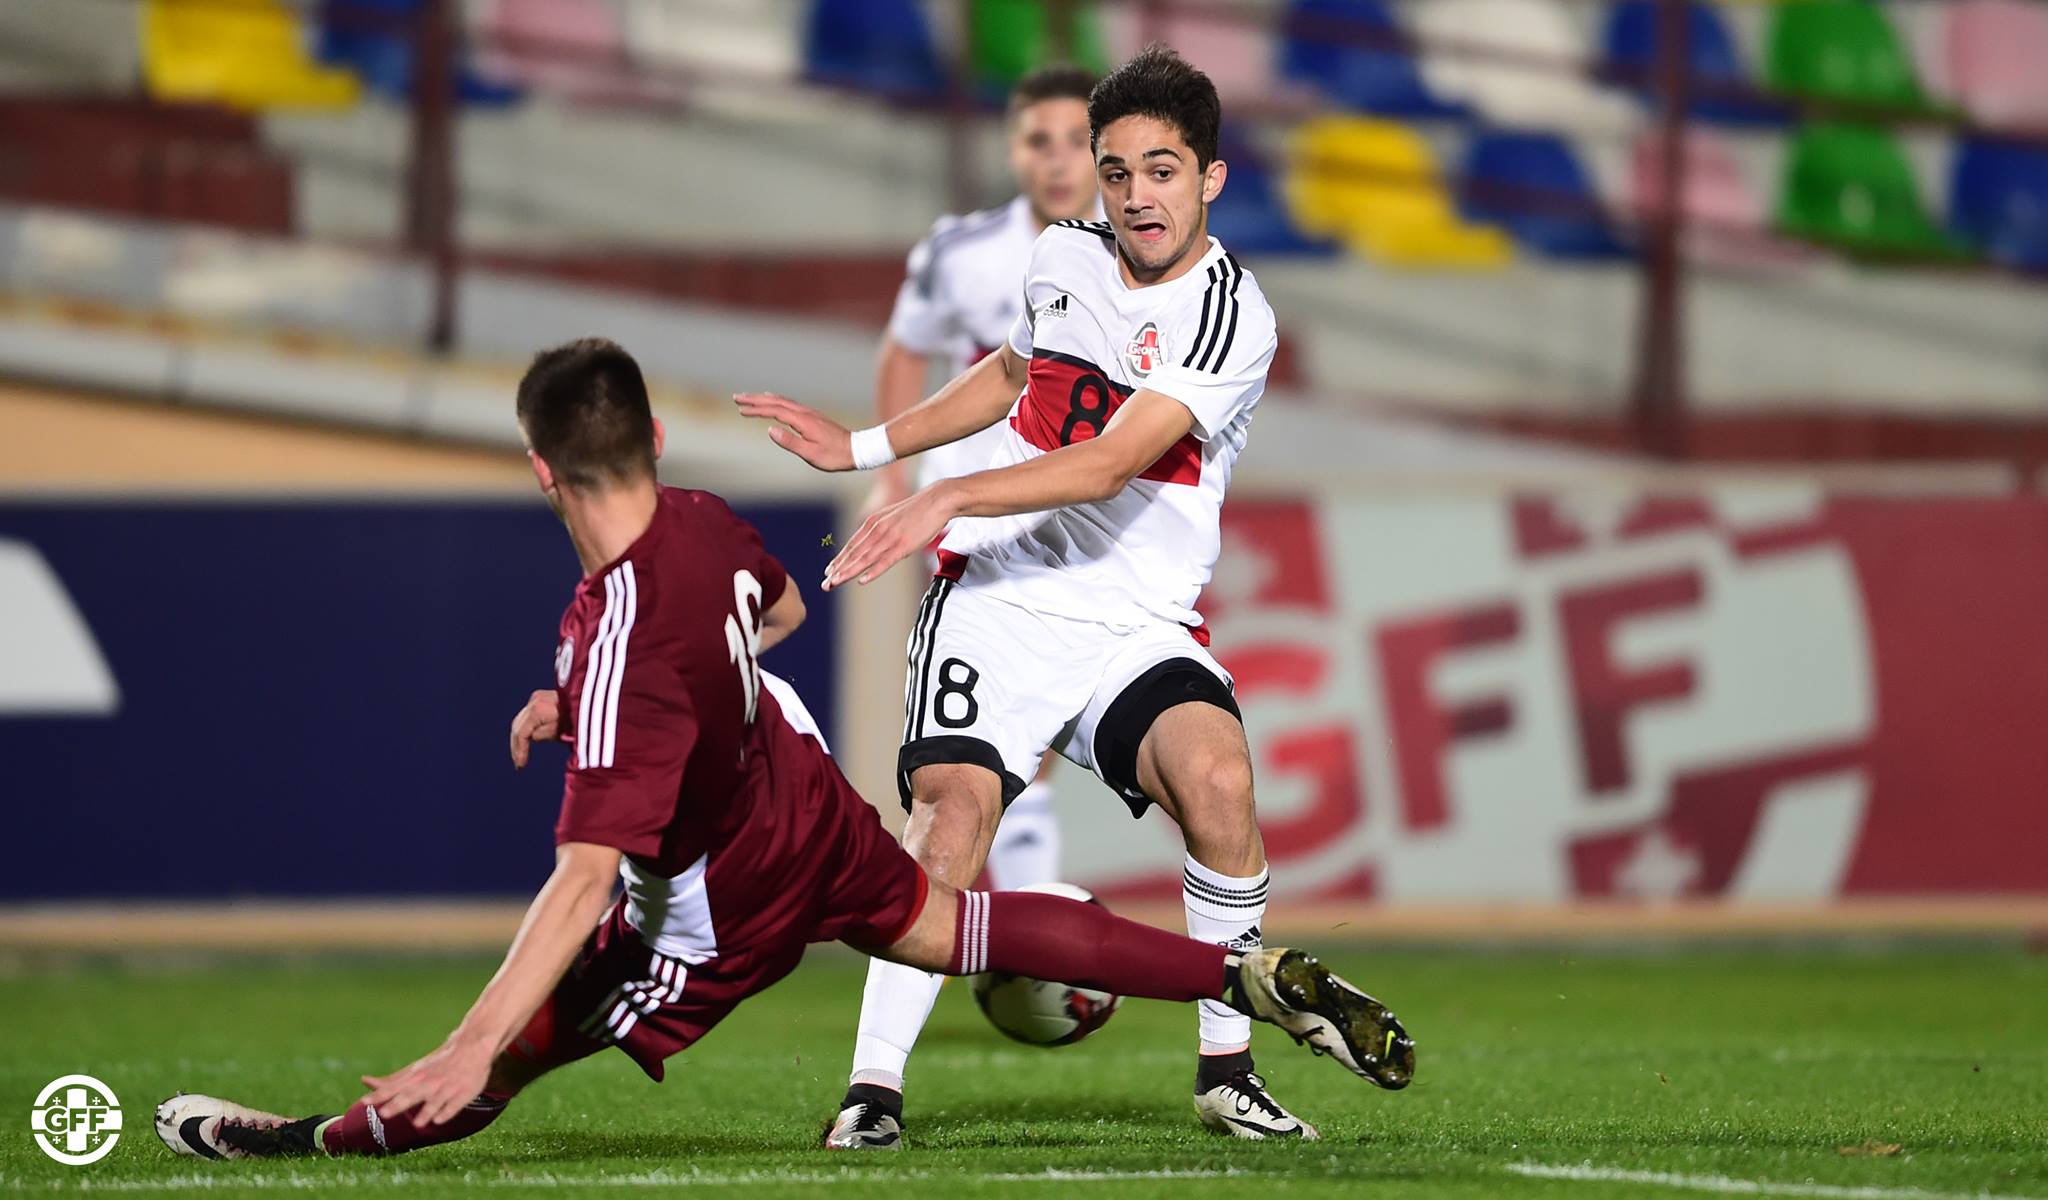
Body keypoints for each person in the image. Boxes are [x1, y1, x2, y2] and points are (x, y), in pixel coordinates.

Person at [152, 338, 1414, 1163]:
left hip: (720, 900)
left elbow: (585, 877)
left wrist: (478, 1034)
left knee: (522, 1054)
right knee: (957, 928)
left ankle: (292, 1143)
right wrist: (595, 696)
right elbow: (782, 613)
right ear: (648, 435)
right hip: (803, 793)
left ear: (542, 469)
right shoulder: (696, 520)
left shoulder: (619, 643)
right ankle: (1237, 977)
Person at [737, 46, 1338, 1145]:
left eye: (1160, 170)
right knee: (947, 829)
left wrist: (945, 492)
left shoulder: (1228, 313)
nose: (1133, 196)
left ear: (1209, 177)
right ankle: (871, 1093)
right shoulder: (1064, 253)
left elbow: (1113, 462)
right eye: (1116, 173)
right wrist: (867, 443)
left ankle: (1225, 1071)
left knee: (1216, 779)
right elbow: (1016, 372)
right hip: (1000, 596)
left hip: (1127, 619)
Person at [875, 62, 1101, 900]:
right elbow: (904, 348)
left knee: (1033, 726)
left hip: (1083, 515)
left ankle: (998, 921)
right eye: (1039, 141)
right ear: (1013, 150)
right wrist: (888, 472)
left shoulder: (1141, 256)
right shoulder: (960, 252)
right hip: (969, 516)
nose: (1057, 161)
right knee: (996, 729)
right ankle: (1015, 924)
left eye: (1077, 141)